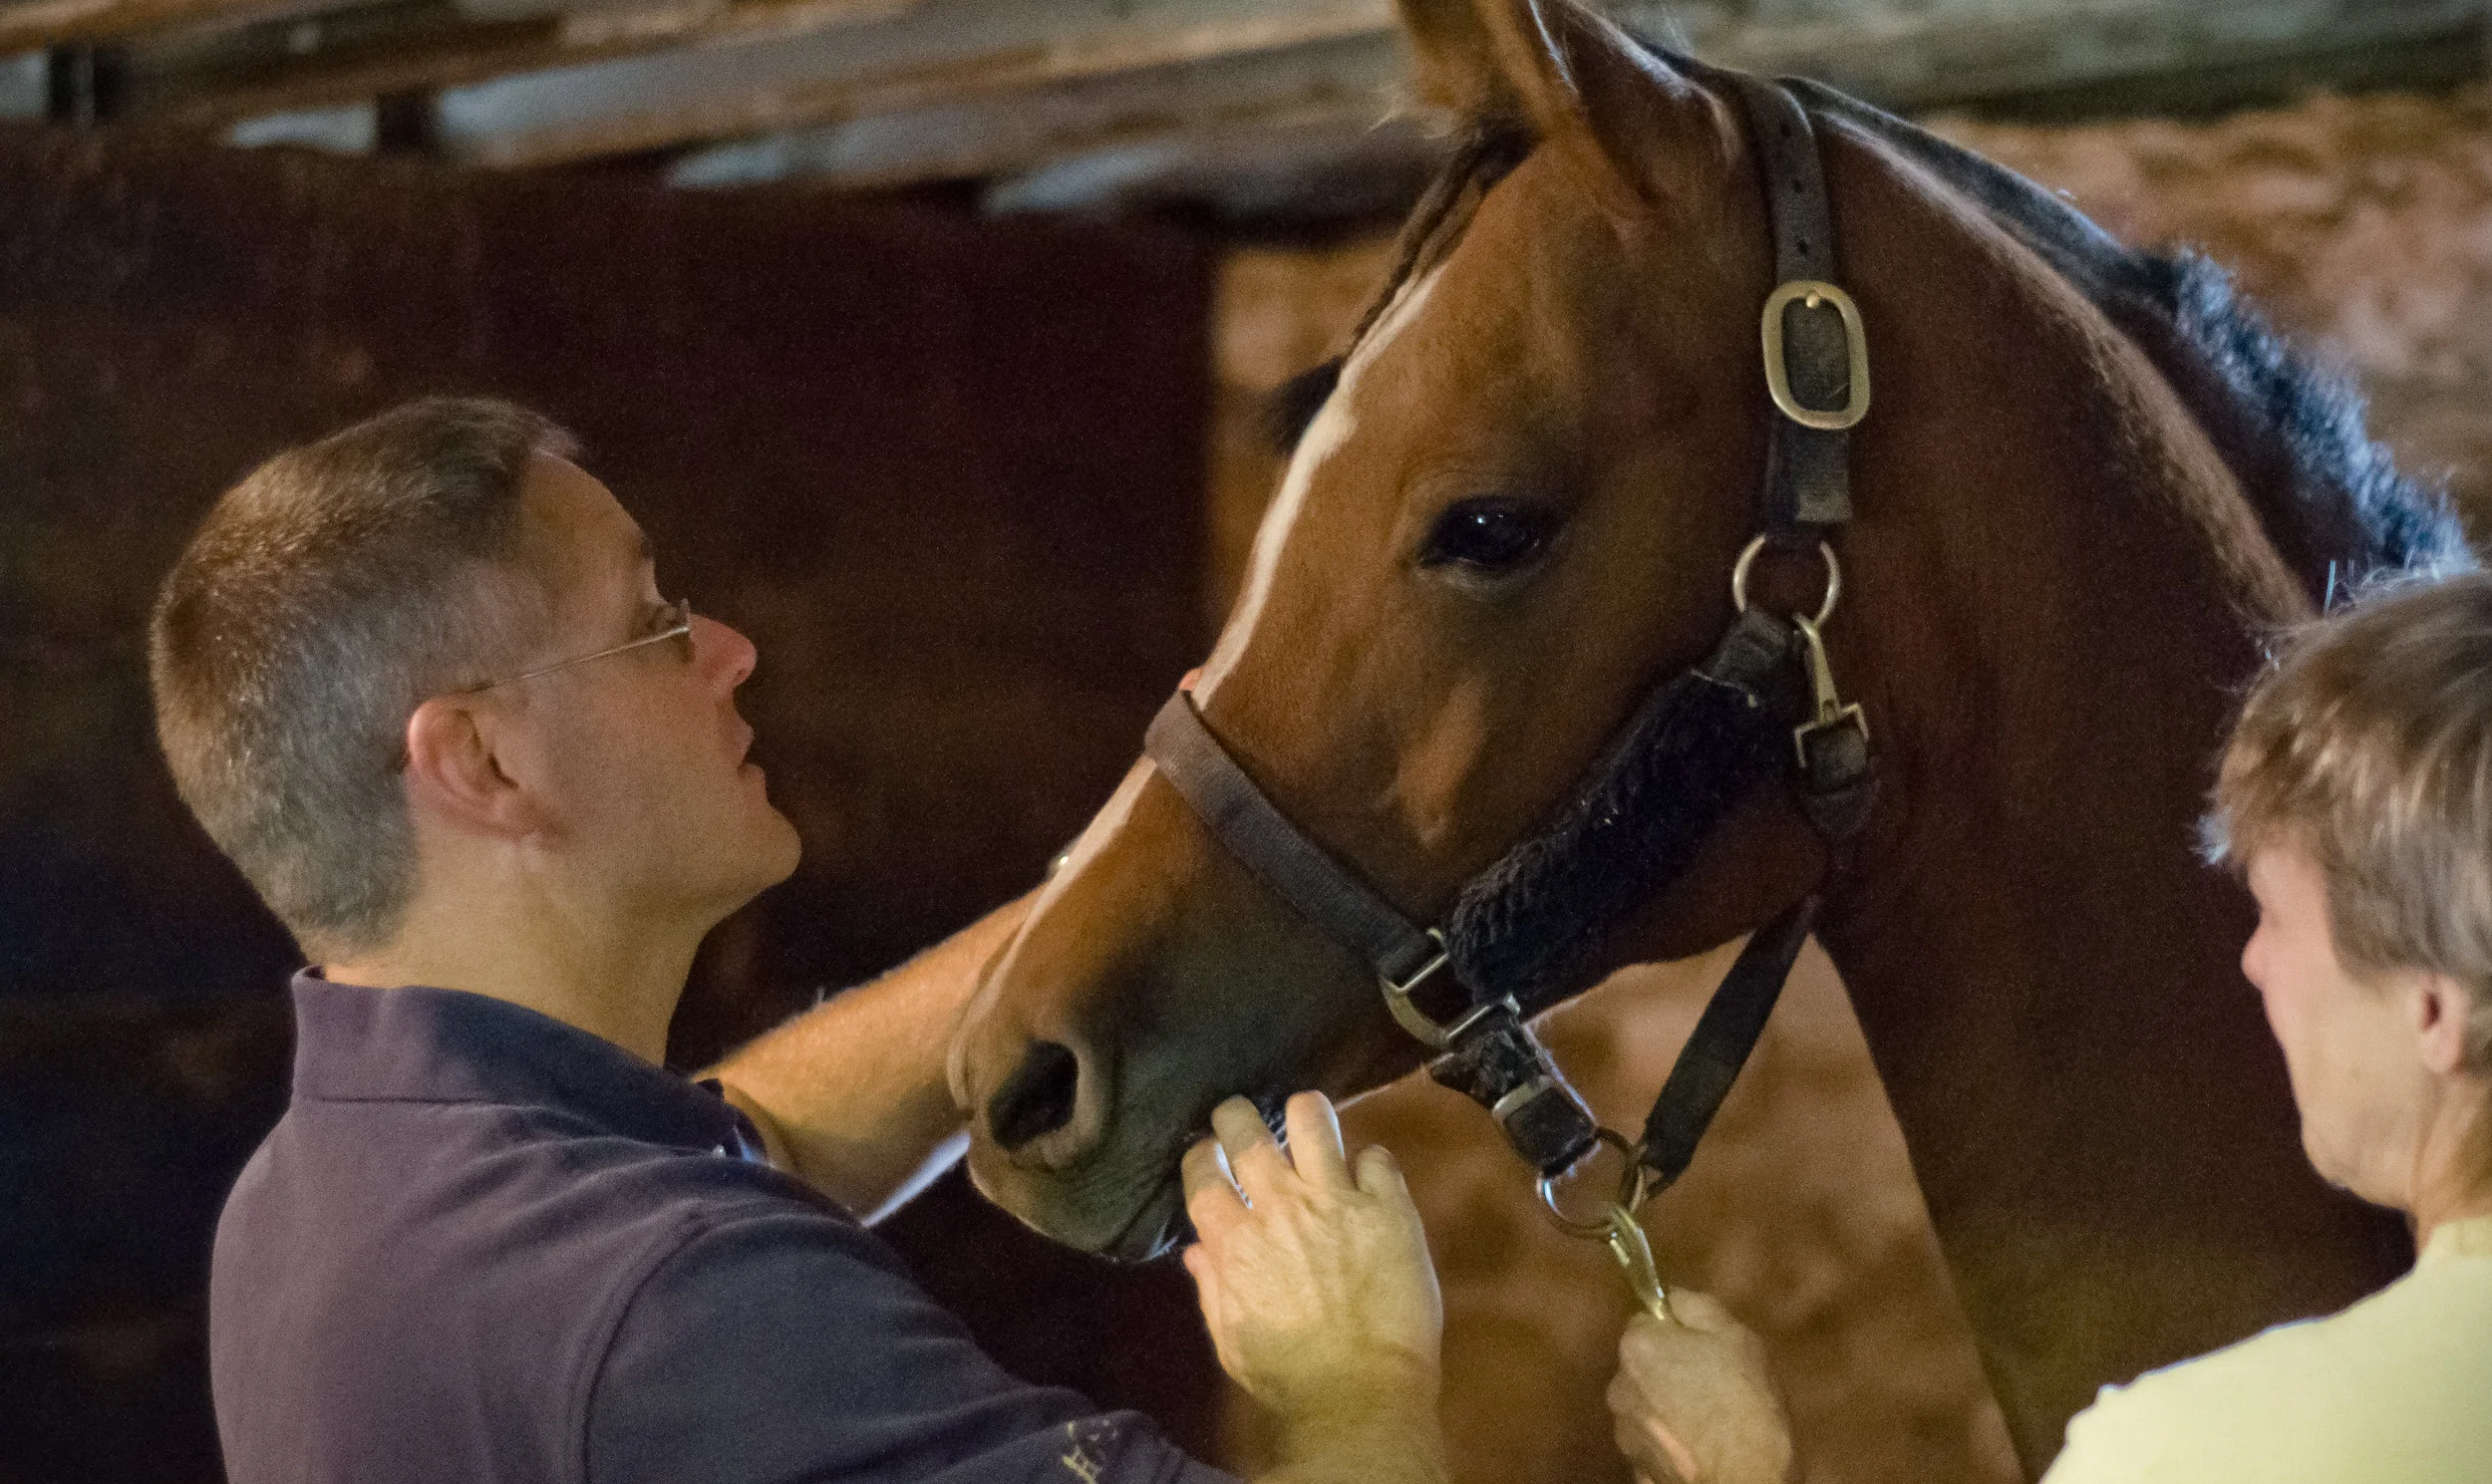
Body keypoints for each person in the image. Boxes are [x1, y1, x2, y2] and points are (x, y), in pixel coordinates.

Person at [150, 397, 1447, 1484]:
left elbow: (755, 1132)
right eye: (652, 621)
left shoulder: (320, 1189)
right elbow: (673, 1267)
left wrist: (1137, 872)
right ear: (483, 760)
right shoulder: (676, 1305)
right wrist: (1360, 1385)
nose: (729, 650)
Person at [1603, 569, 2492, 1484]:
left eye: (2275, 916)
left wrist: (1738, 1471)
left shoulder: (2205, 1453)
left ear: (2435, 1011)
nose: (2255, 962)